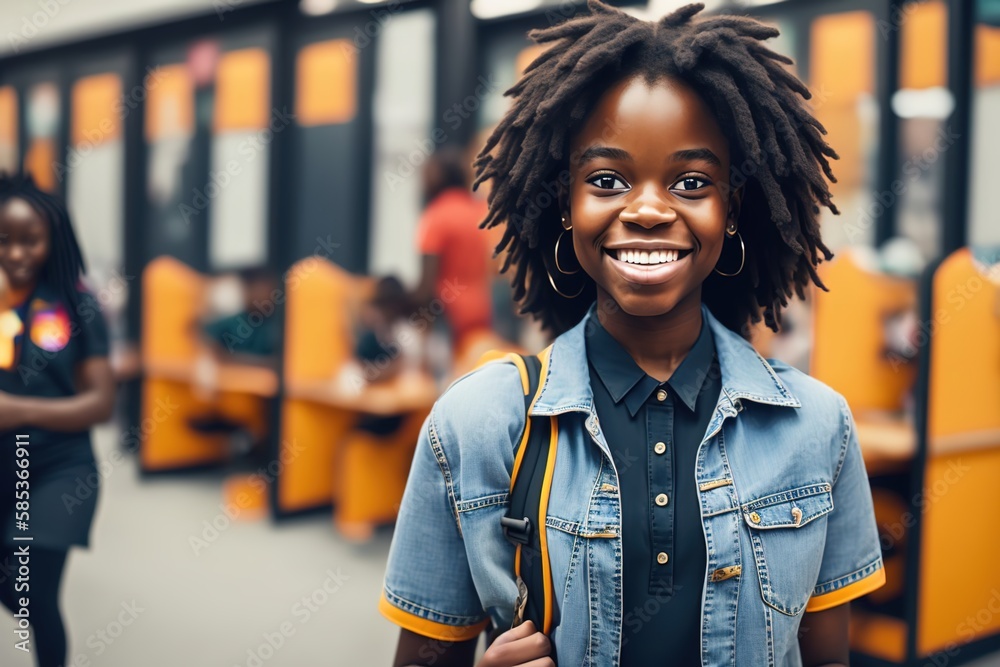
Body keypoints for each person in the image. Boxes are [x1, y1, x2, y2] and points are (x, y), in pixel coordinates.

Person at [379, 3, 884, 666]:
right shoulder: (476, 424)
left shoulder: (819, 426)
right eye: (608, 179)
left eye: (692, 181)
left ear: (731, 209)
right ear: (566, 204)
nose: (647, 209)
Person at [0, 173, 116, 667]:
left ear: (54, 240)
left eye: (32, 240)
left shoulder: (77, 304)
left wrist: (16, 411)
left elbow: (101, 404)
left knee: (32, 591)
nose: (18, 253)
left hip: (58, 468)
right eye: (4, 239)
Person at [412, 147, 494, 356]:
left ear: (438, 176)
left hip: (447, 316)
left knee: (444, 382)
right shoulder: (478, 211)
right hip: (481, 310)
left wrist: (419, 324)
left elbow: (427, 283)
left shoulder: (436, 215)